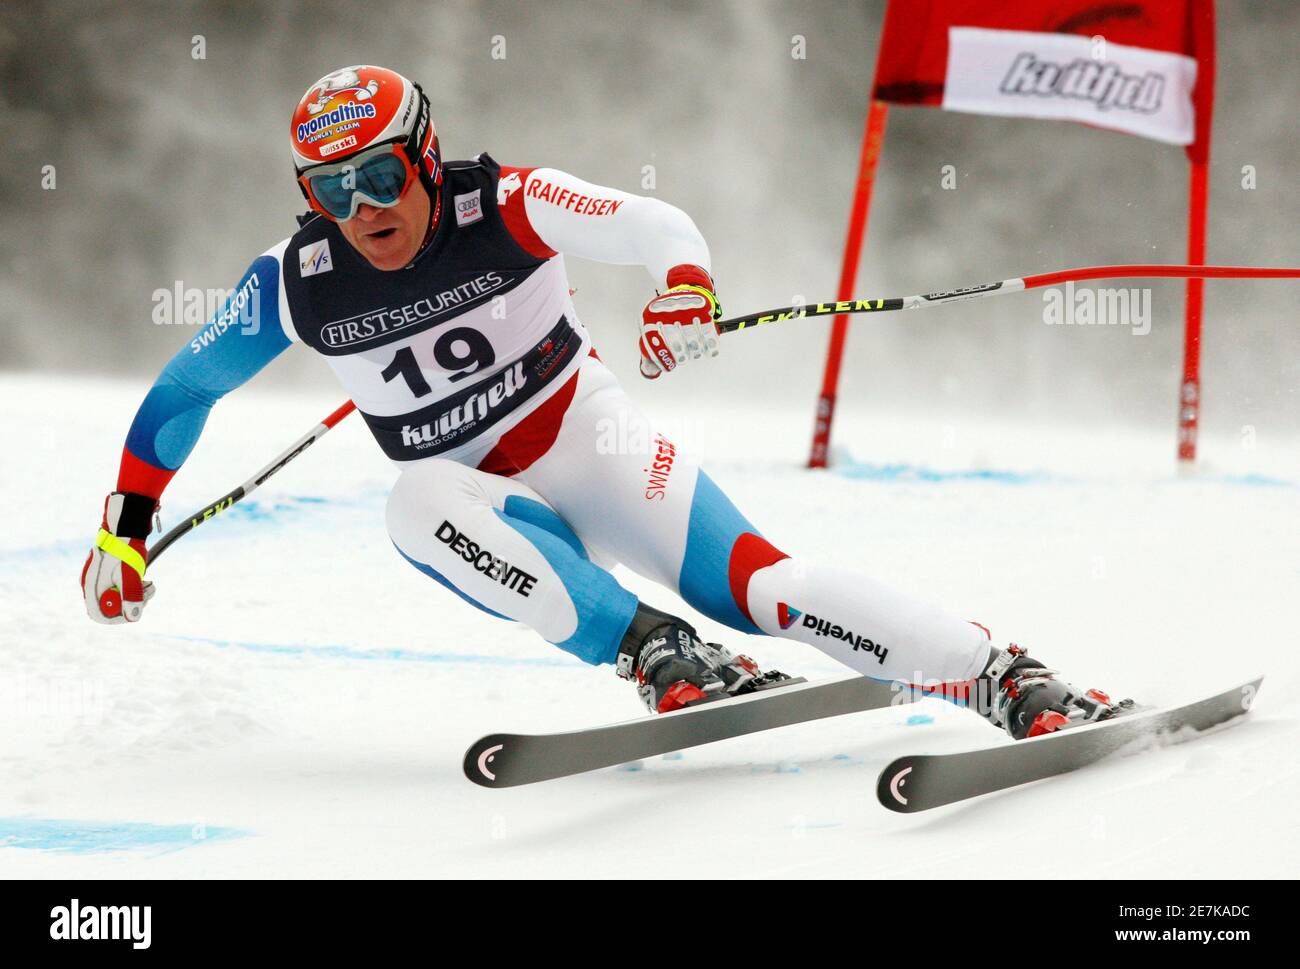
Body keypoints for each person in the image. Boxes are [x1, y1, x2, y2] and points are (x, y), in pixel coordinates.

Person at [81, 65, 1117, 738]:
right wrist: (124, 531)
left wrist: (685, 289)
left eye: (383, 176)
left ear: (425, 157)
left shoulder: (509, 204)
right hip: (490, 508)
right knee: (412, 507)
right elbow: (183, 395)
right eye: (329, 191)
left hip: (594, 441)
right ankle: (651, 650)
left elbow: (649, 221)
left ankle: (998, 674)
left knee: (757, 587)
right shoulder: (296, 283)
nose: (363, 211)